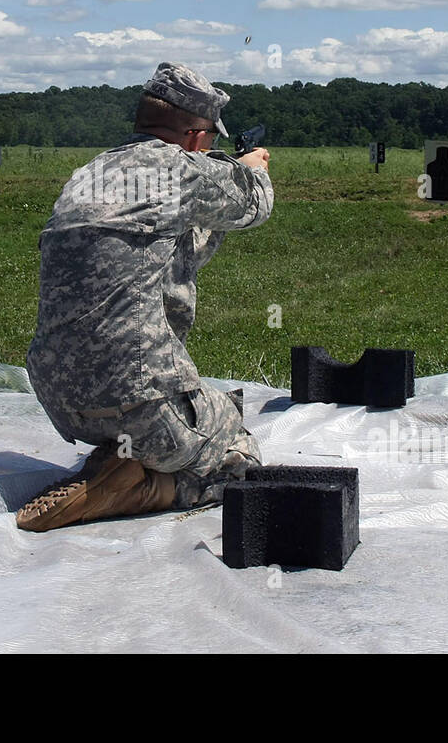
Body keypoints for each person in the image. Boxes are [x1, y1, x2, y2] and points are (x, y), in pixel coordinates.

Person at [19, 61, 273, 531]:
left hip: (61, 400)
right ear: (195, 138)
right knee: (240, 453)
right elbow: (255, 207)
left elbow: (172, 255)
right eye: (207, 142)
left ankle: (124, 461)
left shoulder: (88, 174)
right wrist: (251, 171)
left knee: (162, 421)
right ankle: (143, 489)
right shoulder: (178, 168)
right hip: (139, 399)